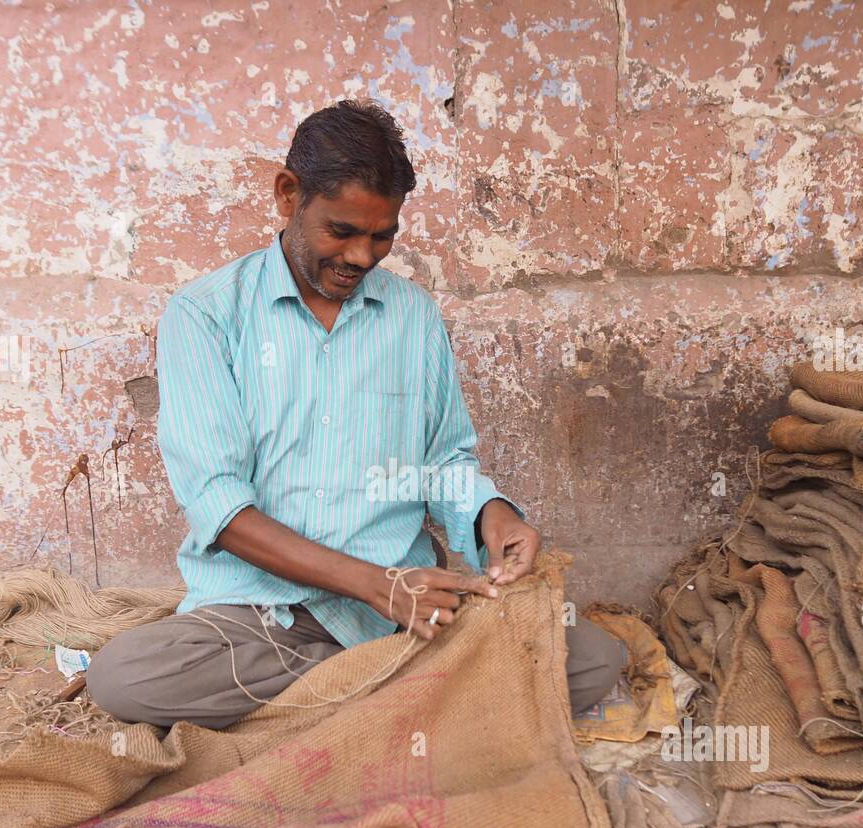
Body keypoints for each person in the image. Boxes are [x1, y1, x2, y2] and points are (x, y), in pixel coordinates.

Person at [87, 100, 626, 729]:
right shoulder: (206, 315)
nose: (363, 257)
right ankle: (410, 702)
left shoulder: (412, 316)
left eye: (383, 235)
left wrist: (491, 518)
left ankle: (351, 703)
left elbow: (446, 460)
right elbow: (219, 507)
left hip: (401, 614)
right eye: (341, 231)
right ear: (289, 196)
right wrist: (375, 585)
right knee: (124, 678)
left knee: (592, 659)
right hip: (265, 621)